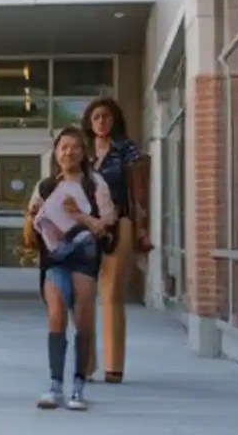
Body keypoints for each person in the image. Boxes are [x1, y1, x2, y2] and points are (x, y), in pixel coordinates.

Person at [24, 125, 116, 411]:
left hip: (85, 258)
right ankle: (54, 385)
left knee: (84, 318)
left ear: (83, 152)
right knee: (55, 313)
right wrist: (34, 220)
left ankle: (78, 384)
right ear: (56, 152)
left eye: (75, 146)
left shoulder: (94, 184)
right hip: (54, 258)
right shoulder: (46, 186)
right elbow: (30, 227)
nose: (69, 152)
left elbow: (106, 224)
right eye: (63, 147)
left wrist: (77, 215)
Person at [81, 97, 148, 385]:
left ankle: (114, 366)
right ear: (89, 122)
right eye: (96, 117)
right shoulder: (82, 152)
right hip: (85, 228)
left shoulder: (127, 151)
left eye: (106, 117)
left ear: (115, 120)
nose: (101, 122)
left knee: (110, 295)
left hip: (119, 224)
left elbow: (139, 191)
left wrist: (142, 228)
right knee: (83, 295)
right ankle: (86, 365)